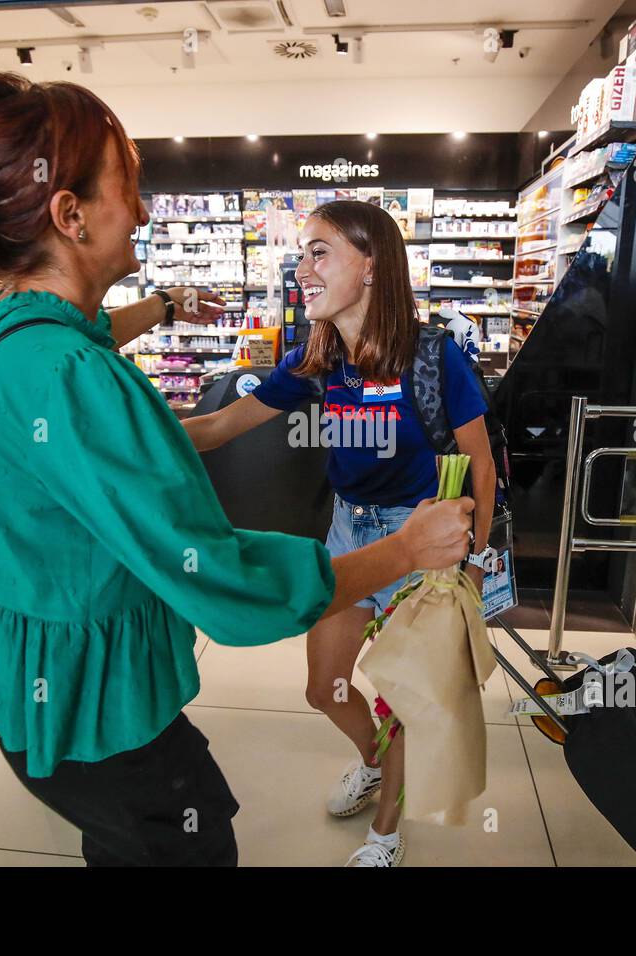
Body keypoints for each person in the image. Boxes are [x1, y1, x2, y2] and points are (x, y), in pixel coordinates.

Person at [0, 66, 473, 867]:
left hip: (35, 675)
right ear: (70, 212)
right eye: (132, 187)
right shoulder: (69, 375)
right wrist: (404, 551)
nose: (147, 210)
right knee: (180, 840)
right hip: (89, 697)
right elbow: (227, 584)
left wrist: (162, 308)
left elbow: (73, 342)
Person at [182, 200, 497, 866]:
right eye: (302, 254)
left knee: (412, 695)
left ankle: (385, 833)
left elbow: (484, 469)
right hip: (350, 532)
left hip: (423, 537)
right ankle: (378, 761)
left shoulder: (434, 357)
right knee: (323, 686)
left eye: (319, 251)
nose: (303, 268)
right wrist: (109, 434)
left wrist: (475, 563)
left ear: (372, 266)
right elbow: (214, 430)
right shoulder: (317, 360)